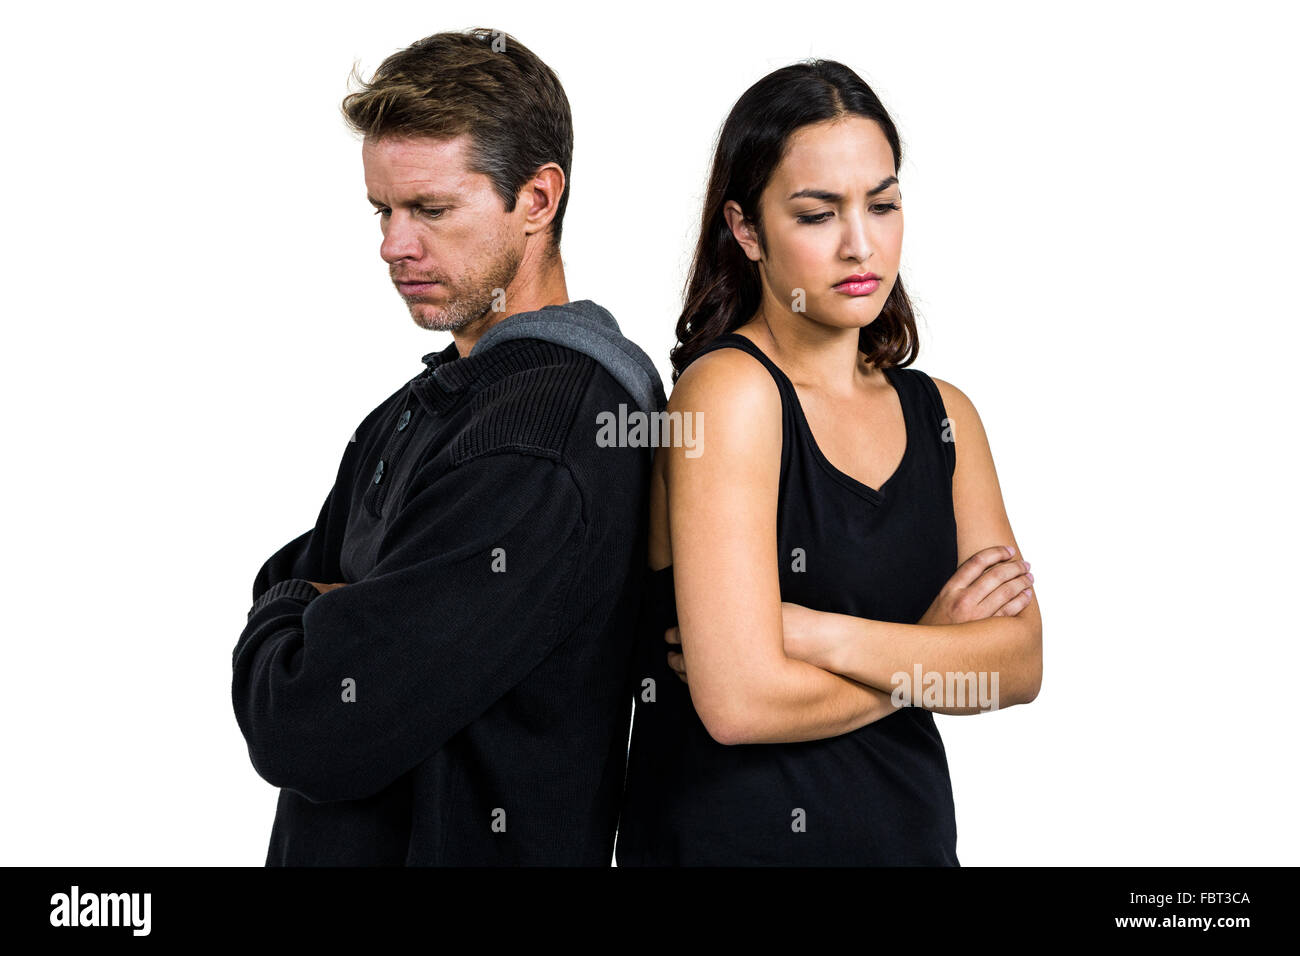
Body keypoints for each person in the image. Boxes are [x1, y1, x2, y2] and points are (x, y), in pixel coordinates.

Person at [232, 27, 665, 866]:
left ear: (537, 199)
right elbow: (294, 583)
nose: (394, 245)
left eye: (430, 210)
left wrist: (302, 612)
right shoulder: (423, 405)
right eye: (382, 211)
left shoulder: (539, 442)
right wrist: (310, 605)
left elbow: (310, 724)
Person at [615, 60, 1042, 866]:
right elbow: (738, 702)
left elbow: (1017, 664)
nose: (860, 243)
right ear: (747, 231)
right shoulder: (727, 395)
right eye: (817, 214)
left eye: (882, 204)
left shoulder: (944, 415)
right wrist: (929, 653)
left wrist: (815, 634)